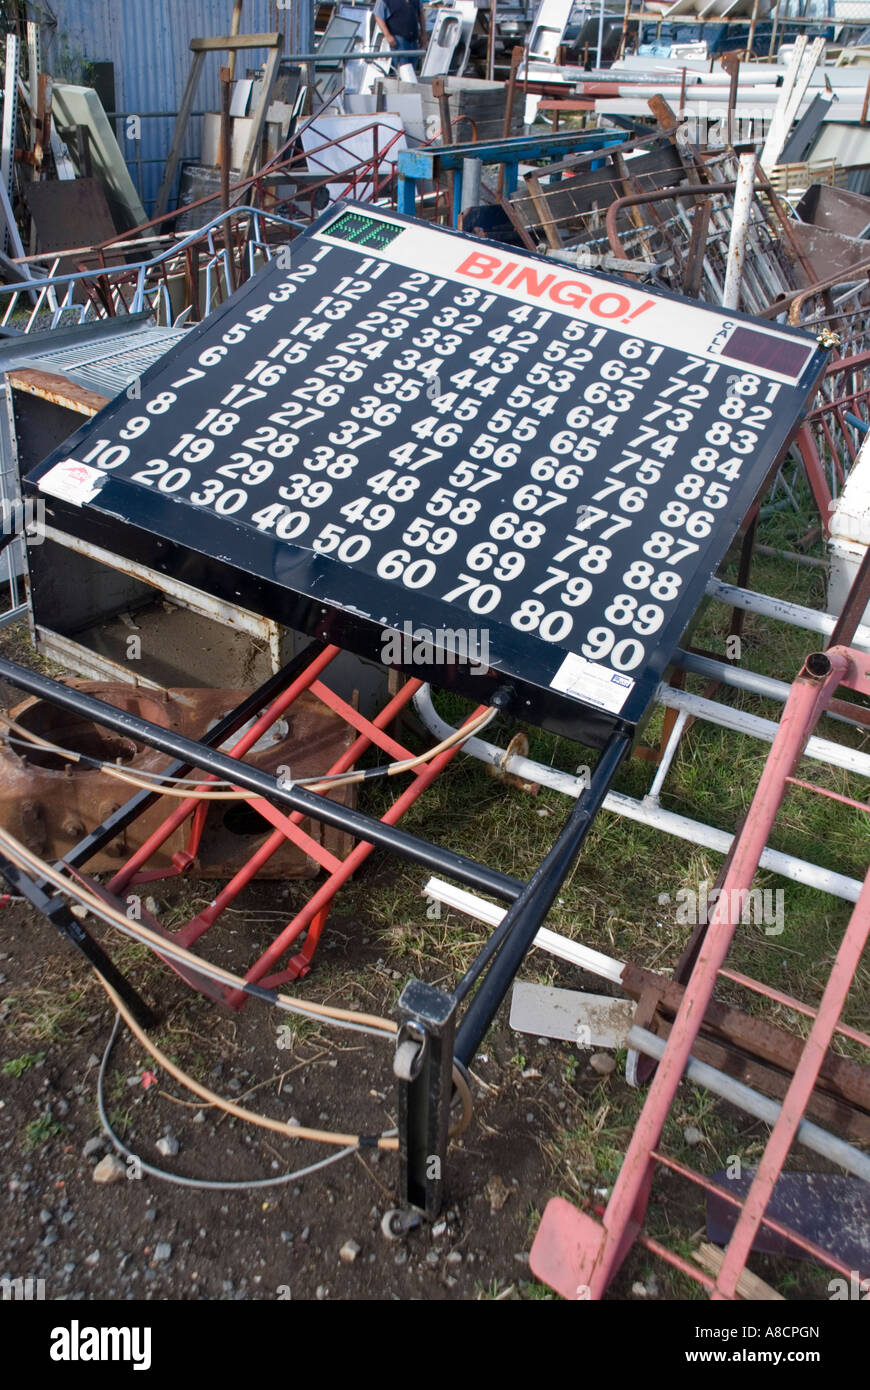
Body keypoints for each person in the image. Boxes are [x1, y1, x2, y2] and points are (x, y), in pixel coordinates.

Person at [373, 0, 424, 70]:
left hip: (414, 40)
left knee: (412, 72)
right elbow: (378, 16)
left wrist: (423, 33)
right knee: (403, 71)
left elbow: (421, 13)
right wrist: (387, 35)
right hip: (398, 41)